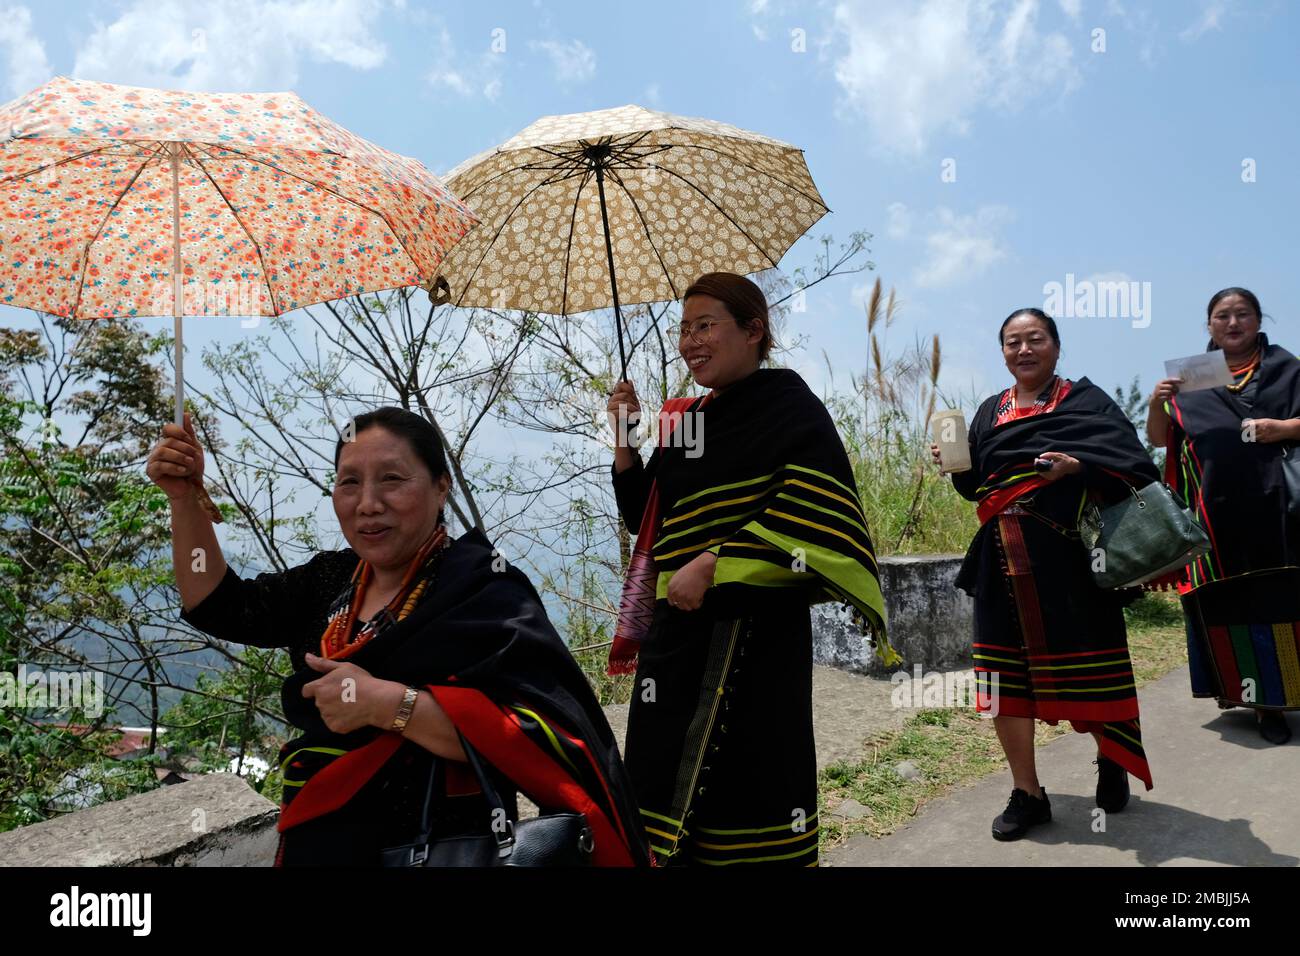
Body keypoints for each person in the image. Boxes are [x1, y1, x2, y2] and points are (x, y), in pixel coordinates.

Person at [150, 405, 648, 866]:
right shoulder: (332, 579)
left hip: (439, 847)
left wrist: (387, 704)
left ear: (440, 487)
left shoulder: (484, 591)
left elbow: (537, 734)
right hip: (320, 844)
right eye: (349, 482)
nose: (368, 503)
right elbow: (217, 604)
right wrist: (183, 498)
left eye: (392, 479)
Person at [606, 272, 893, 867]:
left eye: (705, 325)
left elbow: (818, 507)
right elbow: (646, 515)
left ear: (754, 330)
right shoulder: (686, 420)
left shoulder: (787, 402)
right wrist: (626, 438)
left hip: (751, 631)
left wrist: (714, 562)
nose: (689, 341)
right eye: (683, 329)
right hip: (675, 635)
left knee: (748, 783)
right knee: (659, 778)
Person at [932, 308, 1159, 842]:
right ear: (1003, 352)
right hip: (999, 560)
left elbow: (1134, 465)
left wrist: (1077, 466)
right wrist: (956, 467)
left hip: (1071, 561)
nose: (1024, 350)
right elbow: (978, 488)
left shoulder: (1086, 401)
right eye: (1013, 342)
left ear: (1056, 346)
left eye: (1035, 339)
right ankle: (1028, 793)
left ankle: (1111, 755)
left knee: (1093, 664)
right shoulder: (990, 411)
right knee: (1001, 681)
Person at [1146, 287, 1299, 744]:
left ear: (1258, 320)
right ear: (1209, 325)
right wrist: (1156, 400)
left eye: (1243, 314)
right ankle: (1239, 693)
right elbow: (1160, 438)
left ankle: (1274, 700)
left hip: (1277, 508)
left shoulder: (1287, 370)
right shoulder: (1193, 378)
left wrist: (1284, 428)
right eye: (1222, 316)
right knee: (1226, 601)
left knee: (1275, 600)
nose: (1233, 323)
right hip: (1211, 510)